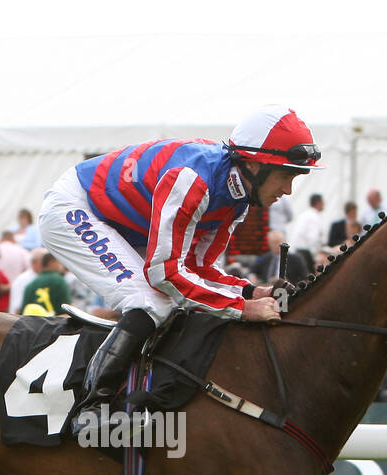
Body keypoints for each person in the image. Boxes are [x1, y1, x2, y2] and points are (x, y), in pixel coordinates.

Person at [38, 106, 320, 418]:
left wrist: (250, 292)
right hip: (75, 207)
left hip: (119, 219)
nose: (287, 190)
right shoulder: (192, 181)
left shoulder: (236, 197)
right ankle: (93, 408)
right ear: (254, 165)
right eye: (284, 175)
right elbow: (165, 274)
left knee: (171, 300)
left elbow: (199, 270)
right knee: (150, 301)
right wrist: (243, 309)